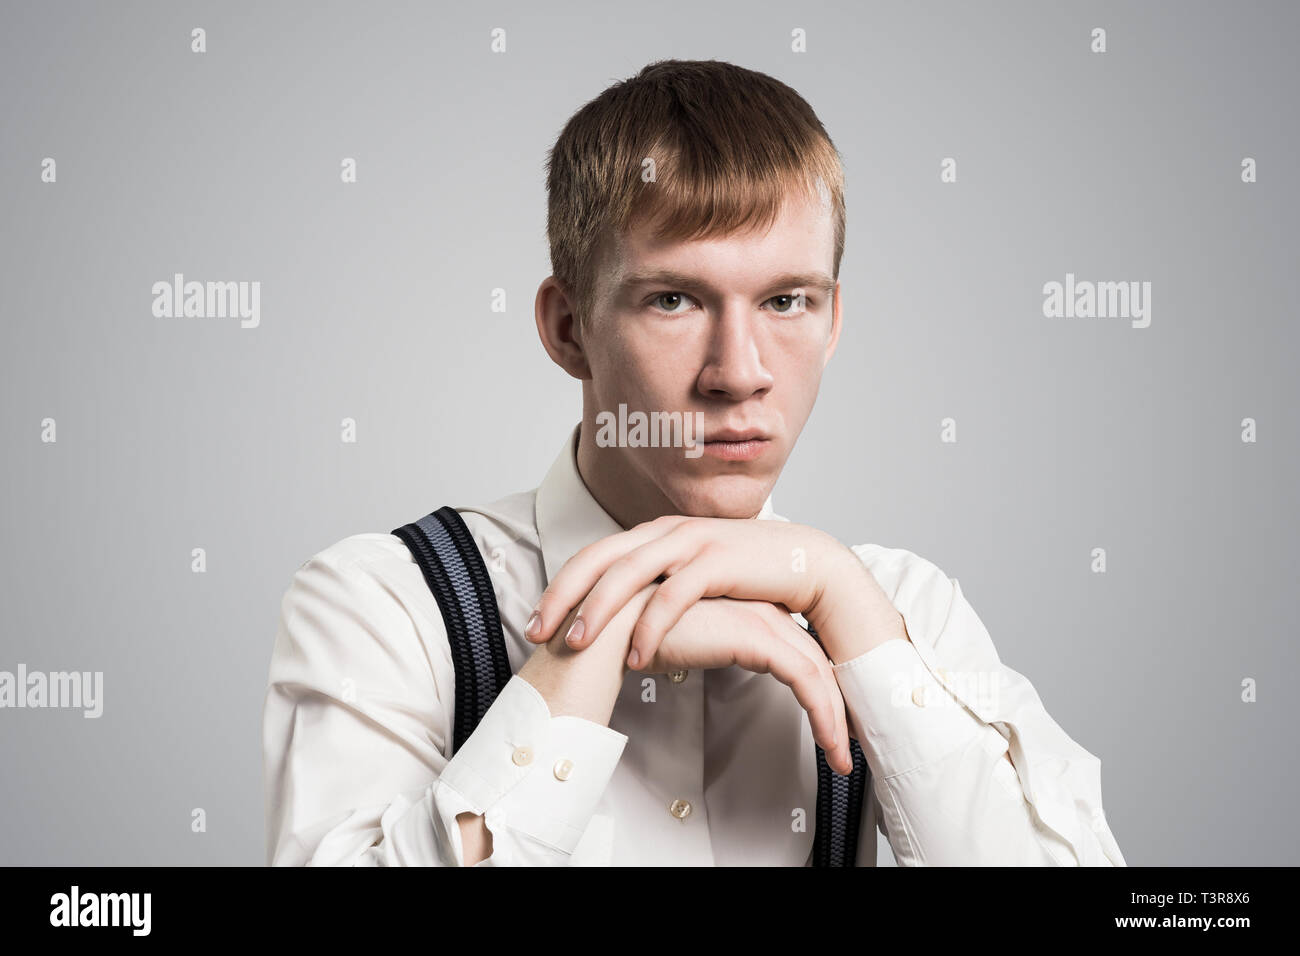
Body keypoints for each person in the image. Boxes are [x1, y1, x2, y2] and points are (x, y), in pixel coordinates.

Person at [261, 58, 1125, 867]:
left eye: (788, 300)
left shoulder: (904, 614)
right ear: (568, 329)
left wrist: (837, 595)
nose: (740, 372)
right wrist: (585, 648)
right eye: (673, 299)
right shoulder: (384, 606)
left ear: (832, 324)